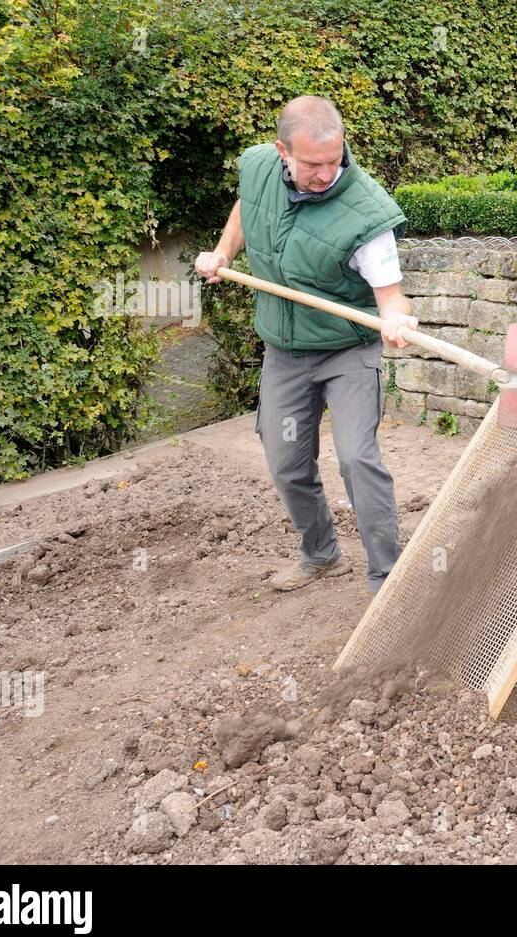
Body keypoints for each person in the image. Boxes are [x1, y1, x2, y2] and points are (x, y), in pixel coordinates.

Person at [194, 95, 417, 594]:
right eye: (313, 164)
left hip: (347, 351)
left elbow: (391, 297)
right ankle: (320, 553)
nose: (325, 174)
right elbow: (249, 206)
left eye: (334, 161)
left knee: (357, 458)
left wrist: (396, 321)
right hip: (285, 351)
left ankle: (388, 577)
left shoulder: (366, 212)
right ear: (282, 152)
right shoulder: (257, 165)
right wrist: (224, 251)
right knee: (285, 460)